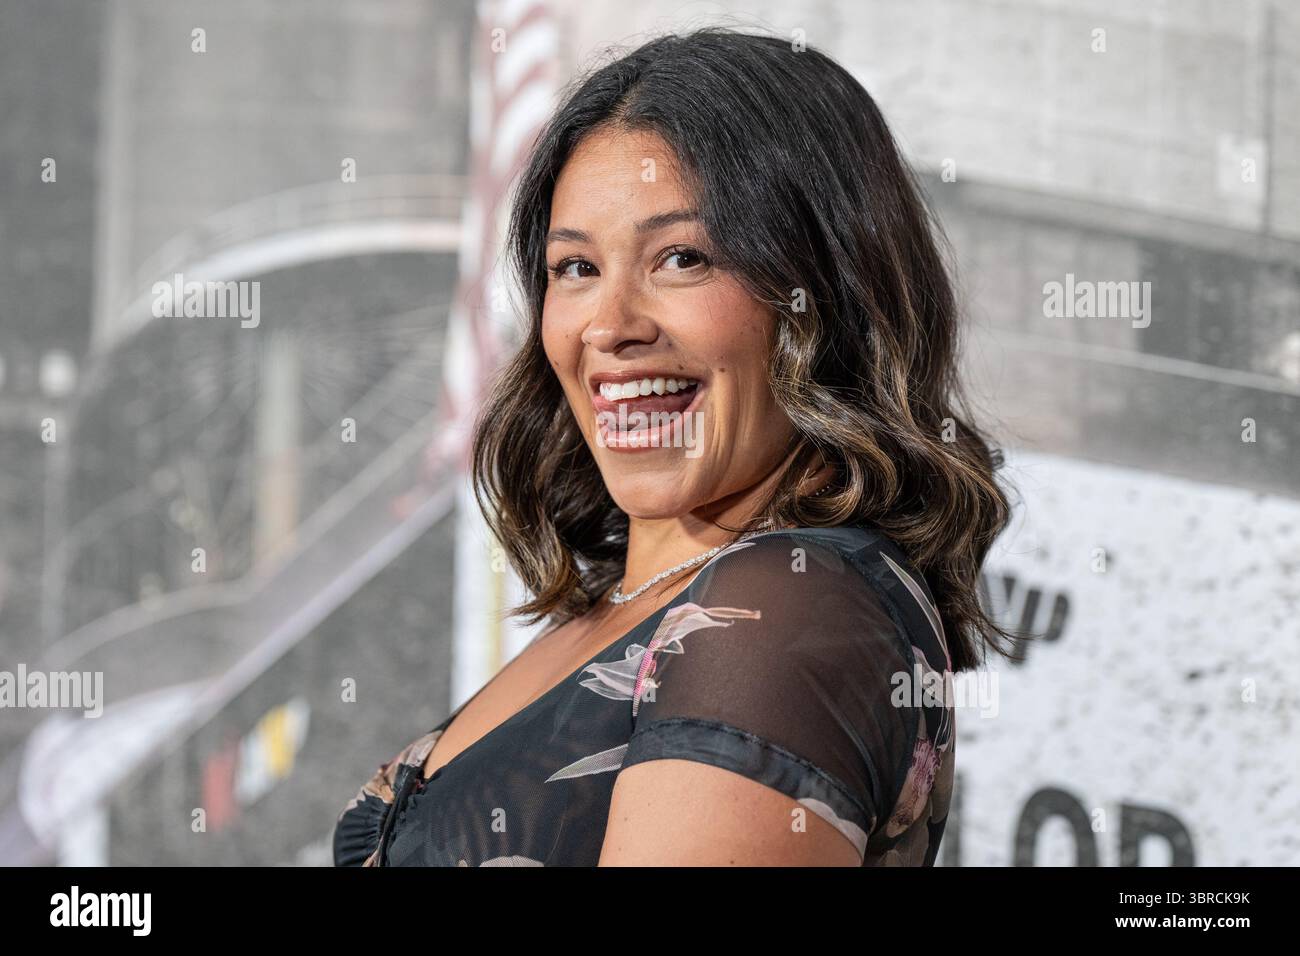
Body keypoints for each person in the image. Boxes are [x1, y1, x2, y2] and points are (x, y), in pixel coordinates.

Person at [334, 25, 1013, 868]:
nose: (610, 327)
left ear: (824, 290)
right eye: (575, 268)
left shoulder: (780, 607)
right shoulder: (634, 611)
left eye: (682, 258)